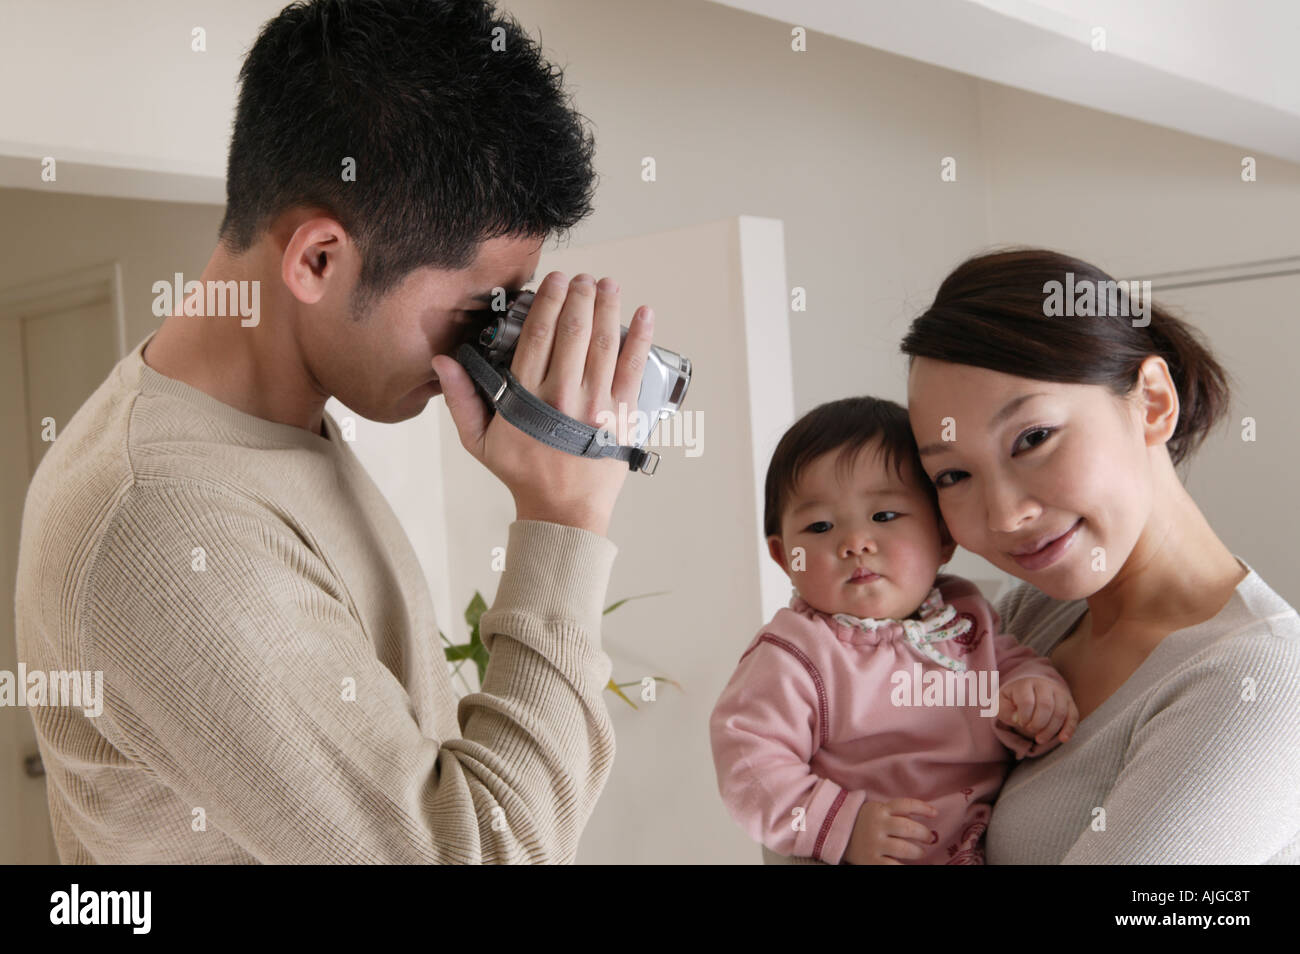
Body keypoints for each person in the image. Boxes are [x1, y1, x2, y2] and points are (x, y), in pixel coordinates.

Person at [14, 0, 654, 863]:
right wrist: (565, 521)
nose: (490, 340)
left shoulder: (280, 429)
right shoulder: (161, 522)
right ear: (317, 259)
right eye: (477, 306)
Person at [901, 248, 1300, 863]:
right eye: (953, 475)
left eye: (1033, 439)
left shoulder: (1262, 681)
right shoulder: (1028, 619)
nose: (1006, 516)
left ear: (1154, 403)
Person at [710, 397, 1077, 865]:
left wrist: (1033, 695)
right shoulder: (798, 654)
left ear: (943, 536)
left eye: (884, 517)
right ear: (785, 557)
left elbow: (1009, 664)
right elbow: (748, 759)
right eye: (820, 526)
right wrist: (841, 825)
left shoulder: (964, 619)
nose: (855, 543)